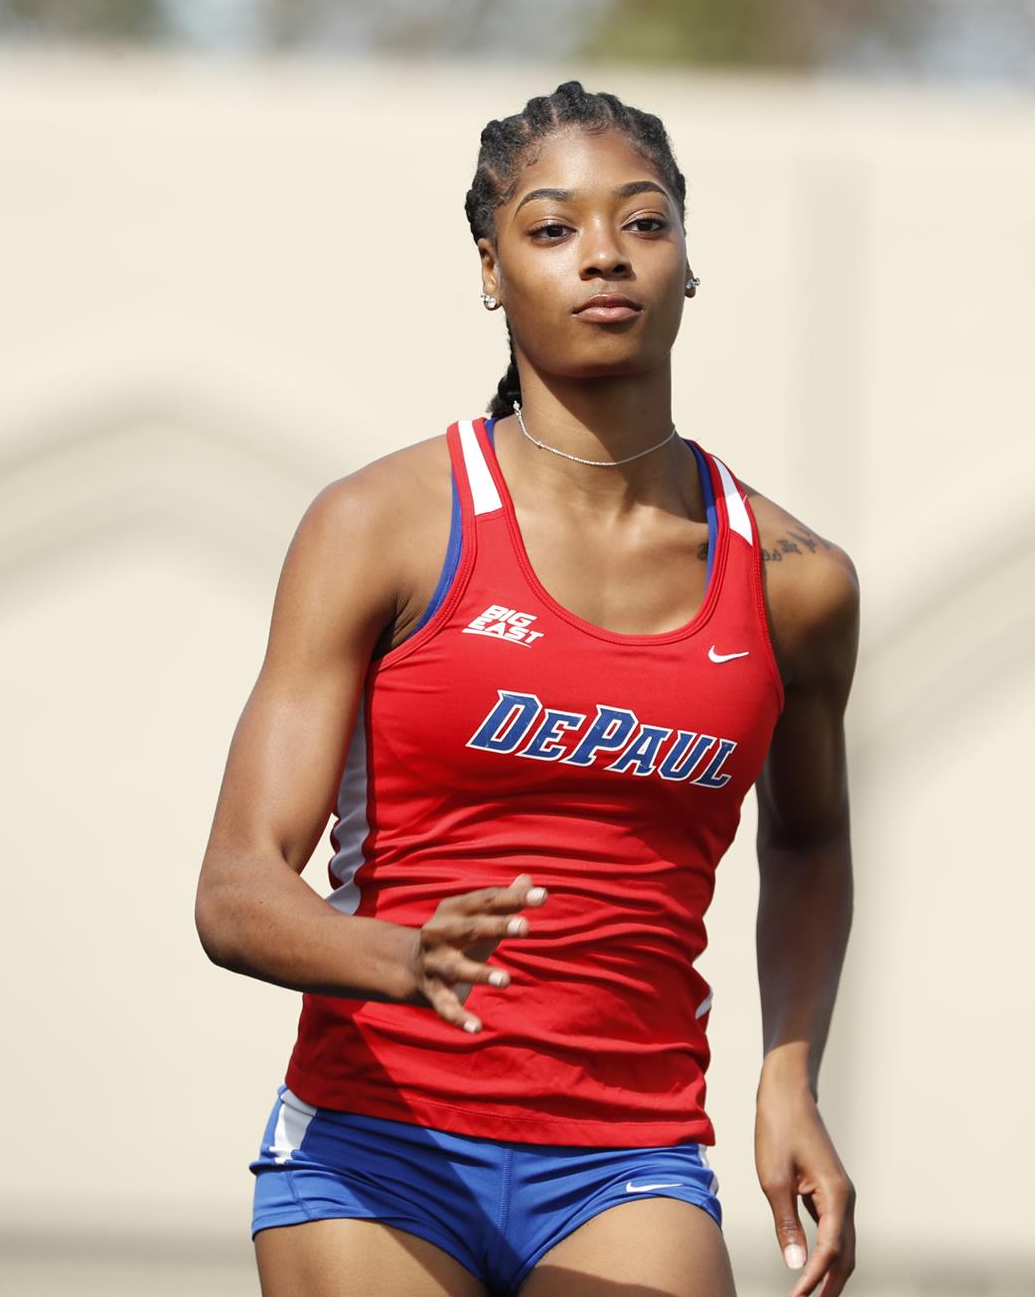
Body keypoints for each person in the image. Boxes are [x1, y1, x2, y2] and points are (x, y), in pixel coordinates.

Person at [194, 80, 859, 1297]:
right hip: (376, 1145)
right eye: (552, 228)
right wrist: (398, 958)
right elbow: (235, 888)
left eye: (643, 222)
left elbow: (808, 842)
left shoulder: (795, 581)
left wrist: (786, 1076)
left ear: (687, 264)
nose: (603, 253)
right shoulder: (379, 525)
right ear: (490, 271)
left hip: (626, 1157)